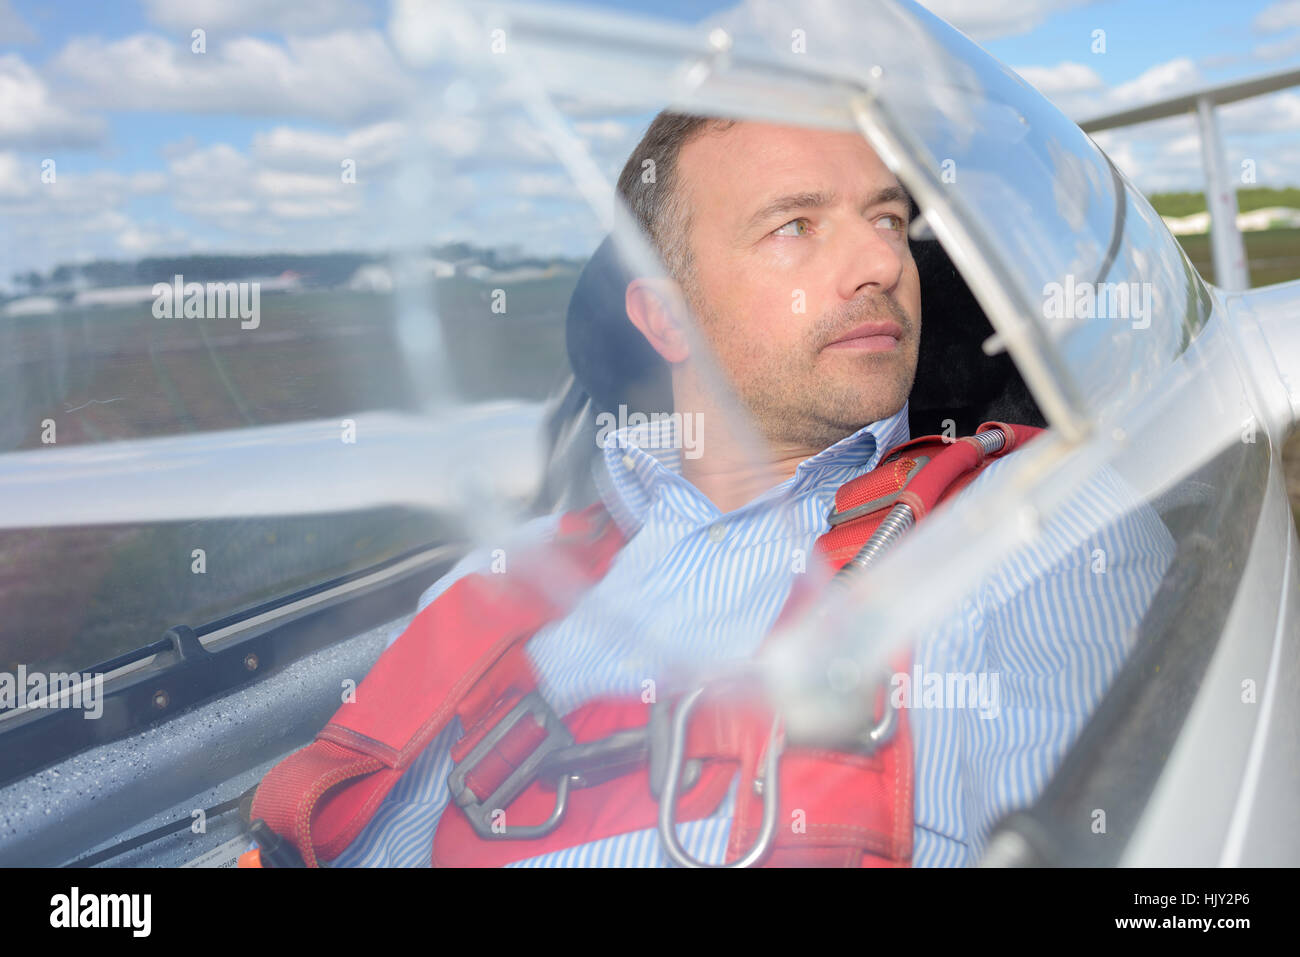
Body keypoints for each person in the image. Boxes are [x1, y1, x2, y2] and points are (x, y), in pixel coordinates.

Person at [250, 113, 1175, 867]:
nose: (883, 265)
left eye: (888, 219)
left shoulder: (1031, 526)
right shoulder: (489, 589)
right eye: (794, 227)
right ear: (664, 316)